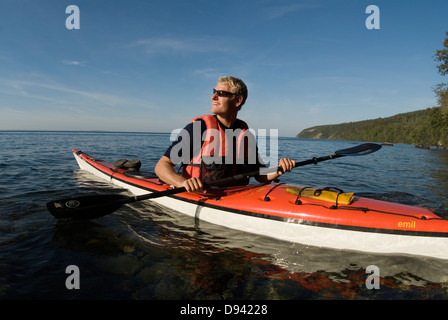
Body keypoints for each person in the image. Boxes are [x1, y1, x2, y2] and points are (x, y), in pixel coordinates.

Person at [155, 76, 295, 193]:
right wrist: (183, 182)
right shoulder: (199, 128)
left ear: (238, 101)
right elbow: (162, 166)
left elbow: (259, 175)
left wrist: (279, 168)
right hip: (202, 195)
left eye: (221, 93)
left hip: (237, 195)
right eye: (214, 92)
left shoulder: (245, 135)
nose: (213, 97)